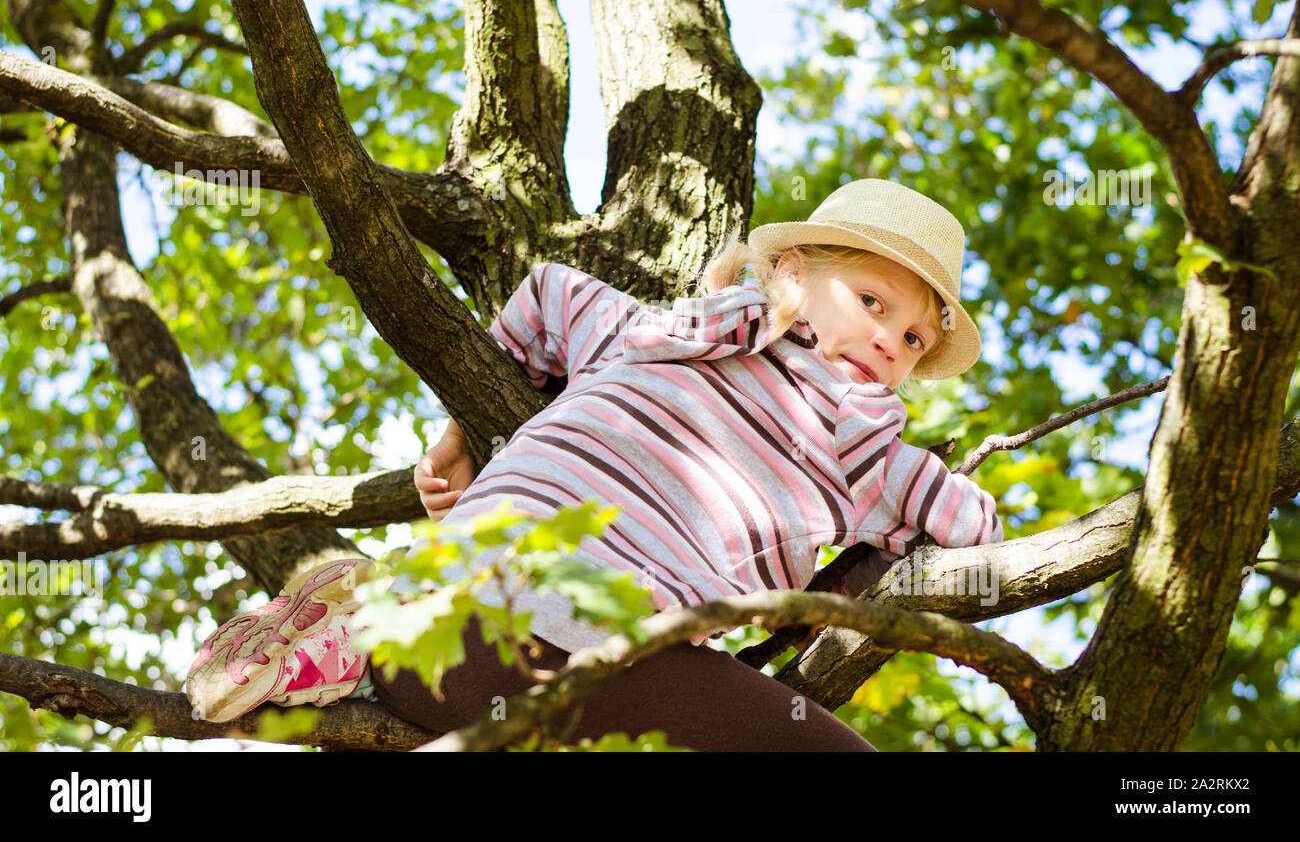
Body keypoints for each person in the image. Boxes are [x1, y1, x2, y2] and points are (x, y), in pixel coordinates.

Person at [186, 178, 1002, 751]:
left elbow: (544, 293)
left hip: (444, 638)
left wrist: (458, 439)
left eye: (914, 341)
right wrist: (856, 582)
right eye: (873, 302)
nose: (890, 343)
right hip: (574, 637)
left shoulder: (654, 330)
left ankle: (341, 643)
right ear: (791, 273)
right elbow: (979, 535)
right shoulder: (867, 448)